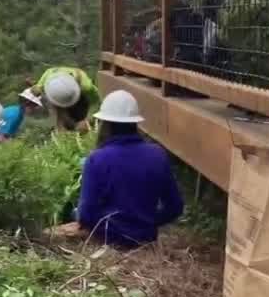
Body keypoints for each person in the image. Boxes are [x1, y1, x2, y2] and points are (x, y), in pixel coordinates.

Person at [70, 90, 184, 249]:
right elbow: (175, 207)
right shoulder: (157, 155)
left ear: (106, 124)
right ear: (135, 123)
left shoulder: (97, 159)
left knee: (74, 212)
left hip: (109, 244)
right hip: (145, 242)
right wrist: (146, 222)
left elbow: (86, 215)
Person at [33, 66, 100, 132]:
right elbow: (36, 89)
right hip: (55, 96)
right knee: (59, 119)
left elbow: (95, 102)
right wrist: (36, 89)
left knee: (81, 121)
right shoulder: (48, 76)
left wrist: (87, 119)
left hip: (82, 98)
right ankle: (60, 130)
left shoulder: (87, 87)